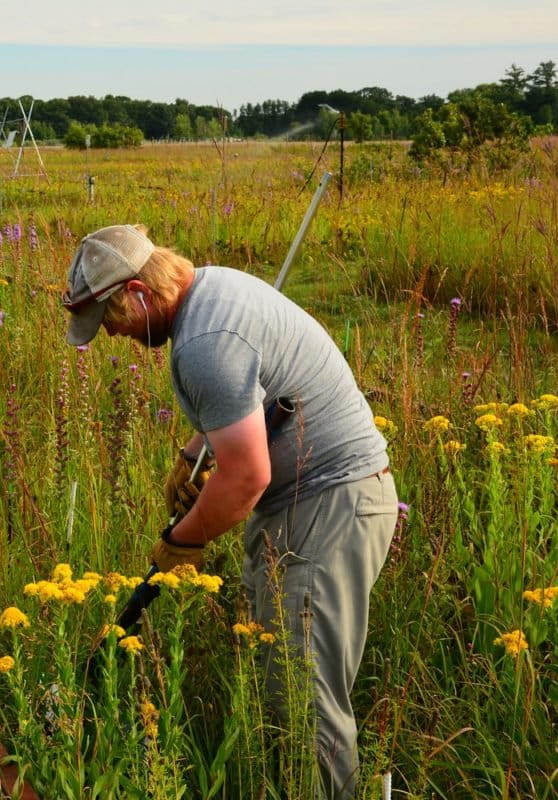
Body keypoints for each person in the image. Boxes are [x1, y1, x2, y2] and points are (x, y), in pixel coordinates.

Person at [61, 224, 397, 800]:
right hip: (307, 505)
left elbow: (245, 477)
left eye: (112, 318)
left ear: (141, 293)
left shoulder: (203, 341)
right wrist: (193, 454)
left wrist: (182, 543)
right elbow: (247, 404)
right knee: (282, 682)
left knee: (302, 697)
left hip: (329, 508)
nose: (114, 334)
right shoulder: (210, 289)